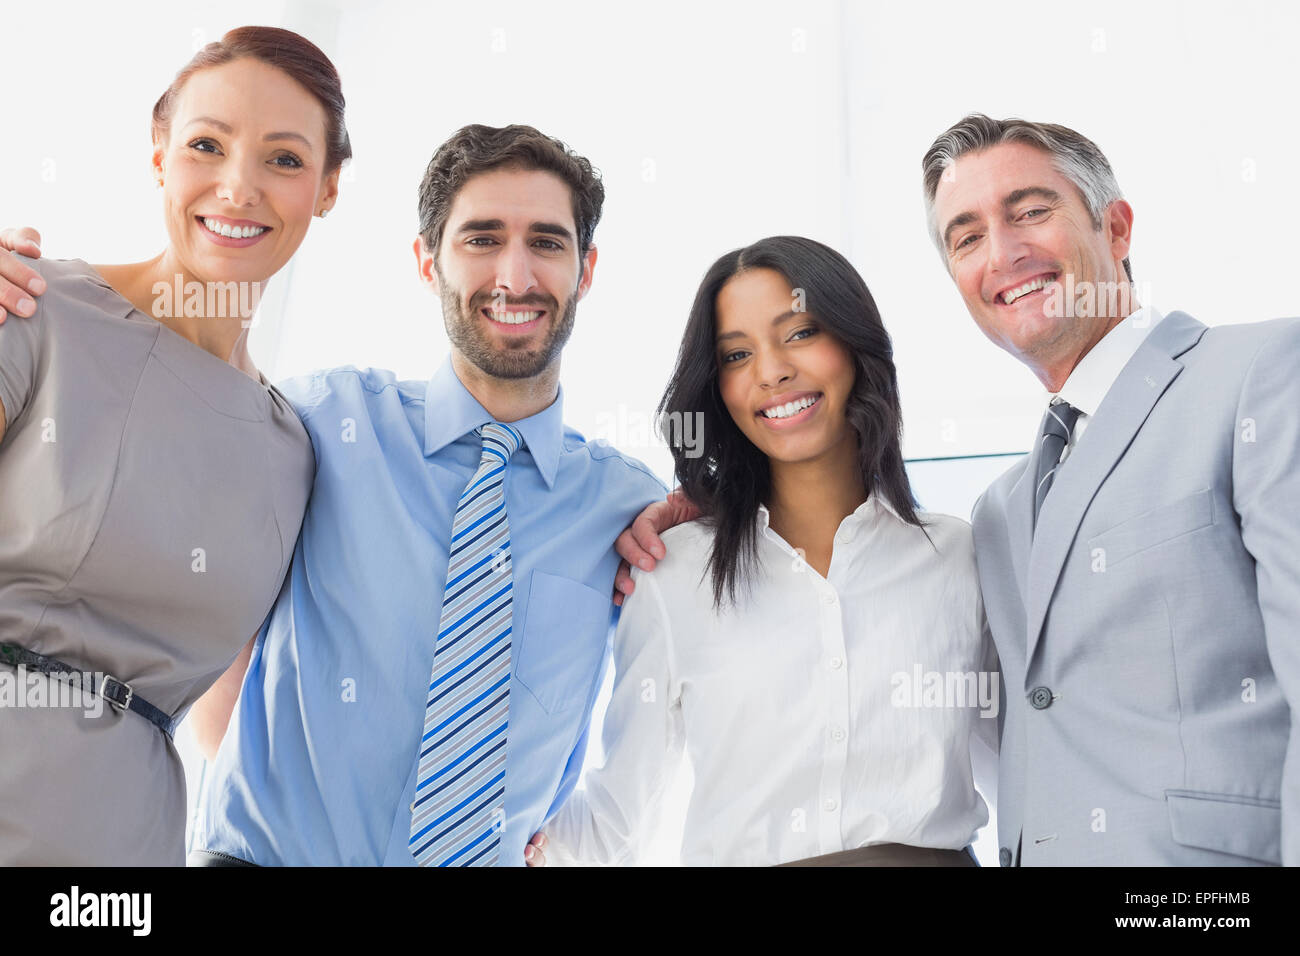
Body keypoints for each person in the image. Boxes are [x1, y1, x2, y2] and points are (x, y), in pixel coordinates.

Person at [3, 123, 665, 867]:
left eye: (547, 242)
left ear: (587, 268)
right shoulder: (320, 424)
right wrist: (40, 290)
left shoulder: (634, 509)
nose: (515, 275)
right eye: (481, 239)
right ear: (427, 262)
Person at [525, 236, 998, 867]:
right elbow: (616, 819)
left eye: (800, 333)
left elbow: (1026, 777)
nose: (771, 370)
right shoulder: (674, 576)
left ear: (856, 346)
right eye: (737, 354)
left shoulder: (959, 557)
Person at [0, 25, 345, 864]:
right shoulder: (32, 310)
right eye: (206, 145)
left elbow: (235, 720)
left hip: (126, 852)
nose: (239, 188)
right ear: (159, 155)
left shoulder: (294, 453)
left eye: (285, 160)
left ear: (328, 190)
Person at [922, 114, 1298, 867]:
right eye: (965, 238)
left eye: (1030, 211)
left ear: (1116, 228)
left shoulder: (1259, 374)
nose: (1003, 252)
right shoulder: (997, 510)